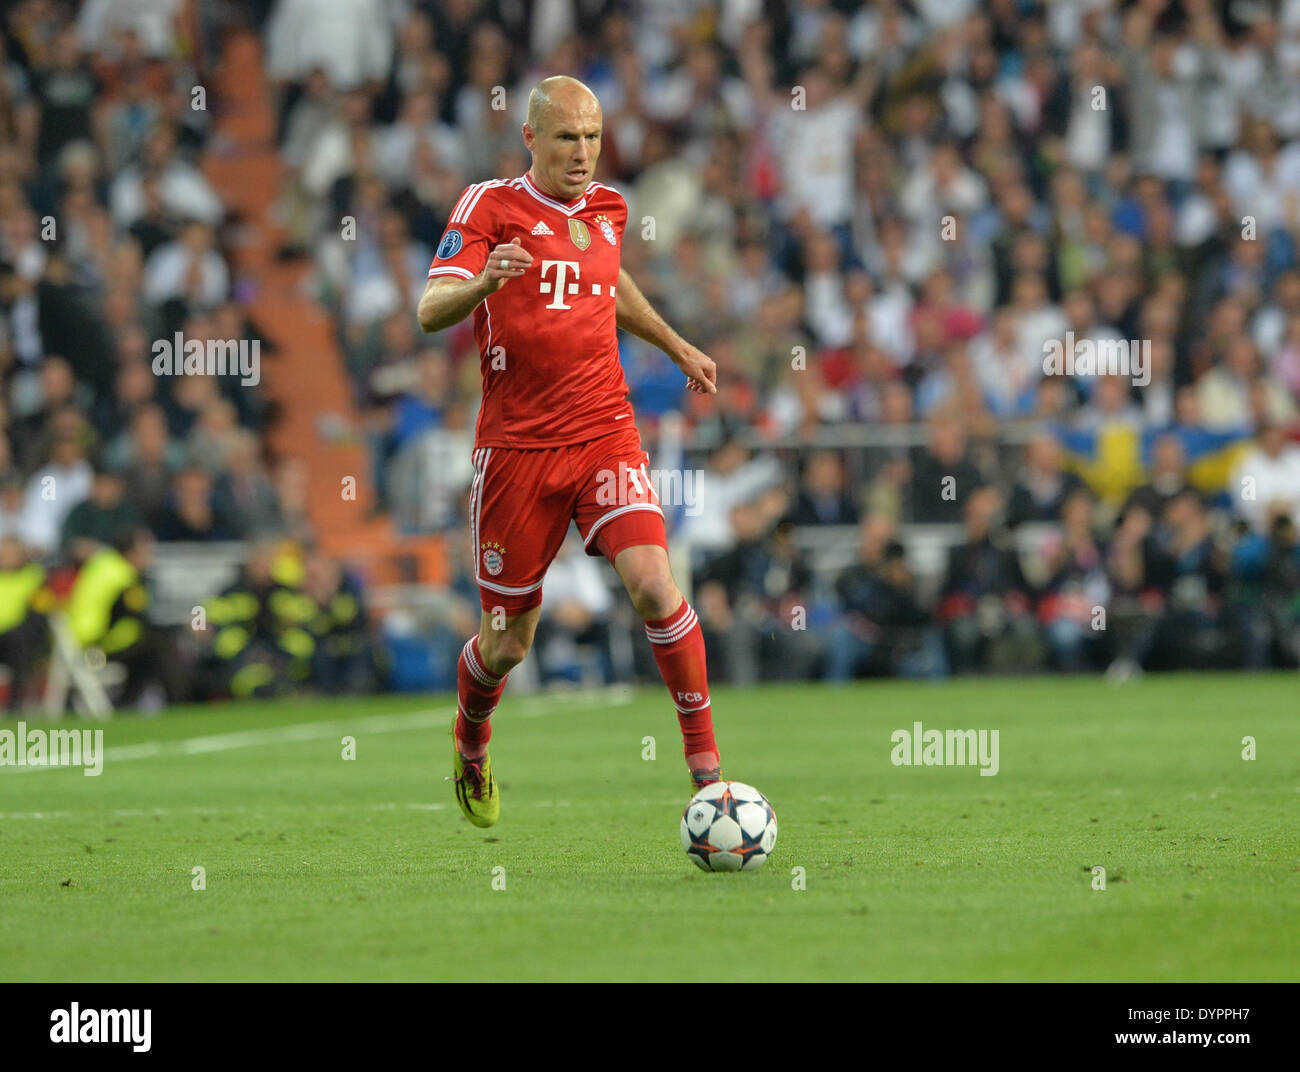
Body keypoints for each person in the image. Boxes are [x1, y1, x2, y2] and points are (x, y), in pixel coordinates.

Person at [416, 76, 721, 828]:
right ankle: (471, 739)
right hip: (516, 450)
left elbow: (607, 283)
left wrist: (677, 343)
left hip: (603, 430)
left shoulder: (611, 209)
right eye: (565, 137)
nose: (582, 152)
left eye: (592, 137)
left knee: (654, 583)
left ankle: (707, 773)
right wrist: (485, 281)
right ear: (531, 138)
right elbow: (429, 310)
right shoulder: (487, 206)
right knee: (507, 643)